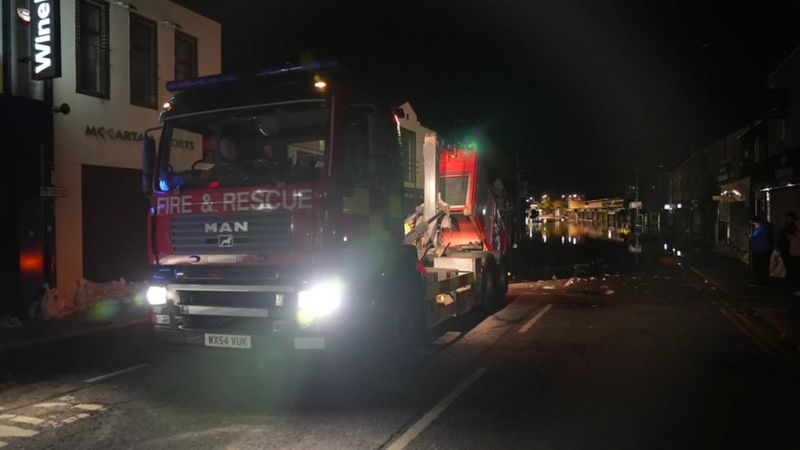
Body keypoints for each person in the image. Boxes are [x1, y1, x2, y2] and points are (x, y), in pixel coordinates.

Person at [750, 216, 774, 287]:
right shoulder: (766, 227)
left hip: (761, 250)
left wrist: (751, 236)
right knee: (763, 267)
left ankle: (762, 282)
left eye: (753, 223)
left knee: (760, 266)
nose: (753, 224)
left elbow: (756, 235)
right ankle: (764, 282)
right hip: (763, 249)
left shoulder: (762, 228)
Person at [777, 211, 797, 292]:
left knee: (791, 267)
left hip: (789, 249)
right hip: (786, 249)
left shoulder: (792, 227)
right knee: (789, 267)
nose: (786, 219)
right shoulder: (787, 226)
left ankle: (792, 284)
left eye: (787, 218)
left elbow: (789, 237)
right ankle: (790, 283)